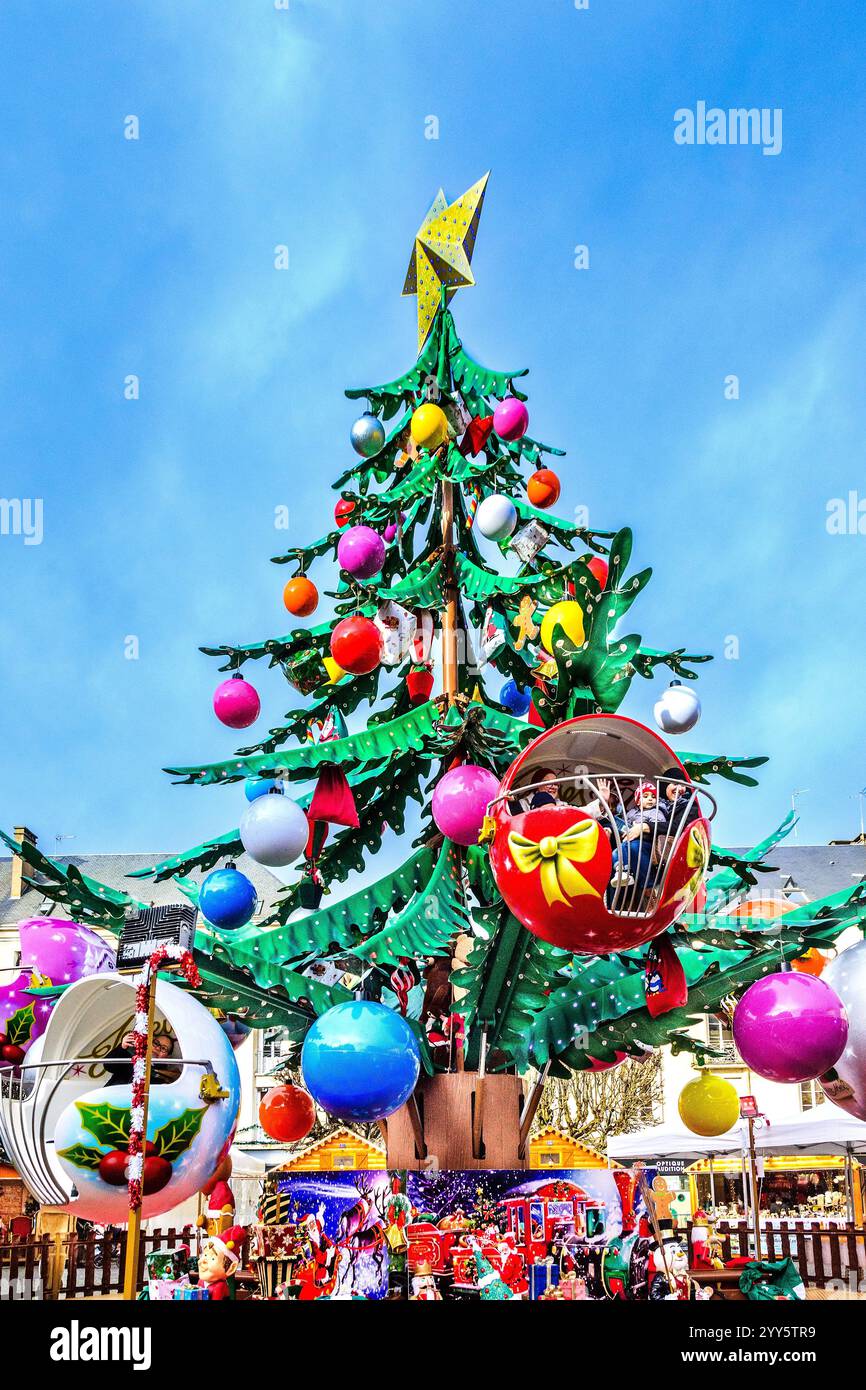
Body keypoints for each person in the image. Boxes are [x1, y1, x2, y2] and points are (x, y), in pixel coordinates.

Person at [608, 782, 669, 893]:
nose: (650, 799)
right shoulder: (631, 813)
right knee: (616, 852)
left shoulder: (657, 812)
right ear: (638, 800)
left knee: (633, 847)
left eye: (653, 797)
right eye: (645, 796)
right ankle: (622, 871)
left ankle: (649, 883)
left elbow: (658, 828)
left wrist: (642, 829)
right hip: (630, 841)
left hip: (647, 842)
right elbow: (625, 824)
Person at [102, 1030, 176, 1087]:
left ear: (168, 1056)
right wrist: (122, 1047)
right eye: (156, 1043)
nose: (157, 1048)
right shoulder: (131, 1055)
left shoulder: (165, 1077)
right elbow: (108, 1066)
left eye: (163, 1048)